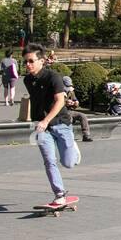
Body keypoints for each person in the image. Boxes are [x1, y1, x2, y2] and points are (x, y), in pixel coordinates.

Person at [23, 44, 79, 210]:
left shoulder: (54, 77)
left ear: (41, 61)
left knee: (68, 163)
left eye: (31, 61)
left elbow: (60, 101)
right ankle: (59, 194)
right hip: (41, 127)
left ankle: (73, 149)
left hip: (60, 123)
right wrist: (38, 122)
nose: (27, 65)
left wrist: (46, 120)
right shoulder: (27, 80)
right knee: (49, 160)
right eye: (25, 61)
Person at [61, 75, 95, 143]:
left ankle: (86, 135)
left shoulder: (71, 91)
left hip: (69, 110)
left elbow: (75, 101)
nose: (69, 88)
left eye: (70, 86)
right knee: (69, 117)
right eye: (67, 86)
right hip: (61, 111)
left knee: (82, 116)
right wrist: (65, 102)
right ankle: (69, 136)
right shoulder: (59, 91)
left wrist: (75, 103)